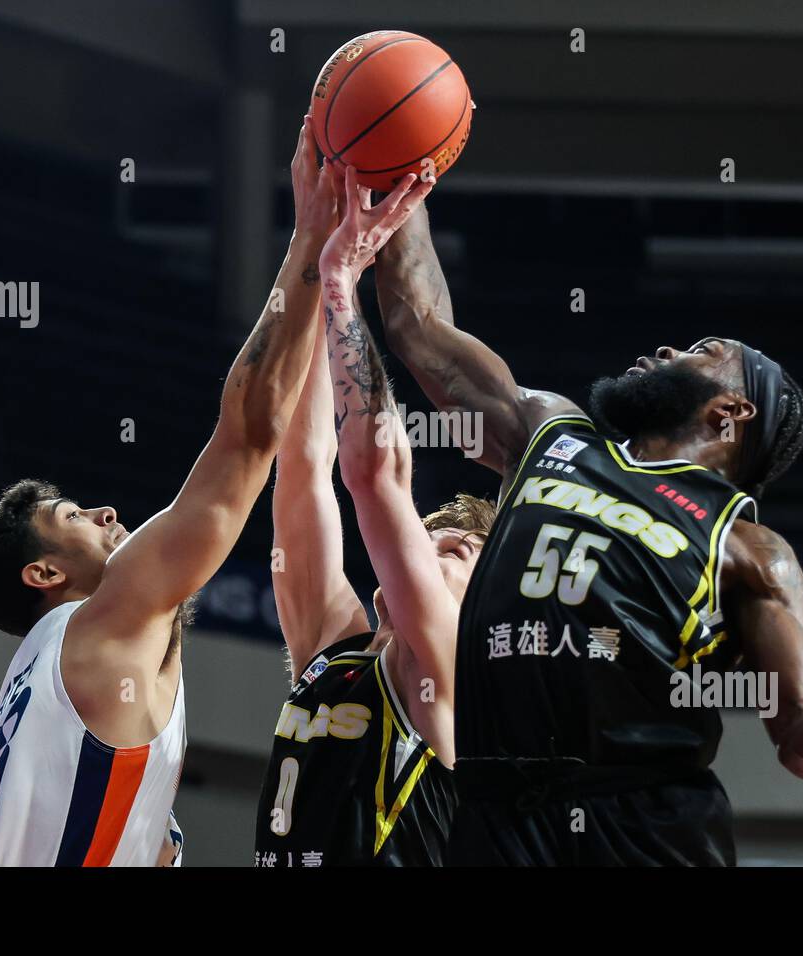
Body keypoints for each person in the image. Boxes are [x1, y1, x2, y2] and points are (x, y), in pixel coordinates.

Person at [372, 204, 803, 866]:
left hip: (641, 830)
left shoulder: (749, 550)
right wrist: (408, 183)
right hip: (495, 815)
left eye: (704, 354)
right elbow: (418, 327)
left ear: (730, 411)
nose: (671, 350)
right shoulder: (548, 433)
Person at [0, 117, 340, 866]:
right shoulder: (95, 629)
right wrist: (315, 242)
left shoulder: (61, 681)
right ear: (44, 574)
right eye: (73, 516)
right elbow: (246, 435)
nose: (106, 511)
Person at [255, 166, 478, 866]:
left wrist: (344, 286)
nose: (427, 543)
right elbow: (304, 461)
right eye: (430, 530)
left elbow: (375, 469)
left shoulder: (450, 676)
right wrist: (314, 247)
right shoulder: (333, 647)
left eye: (456, 551)